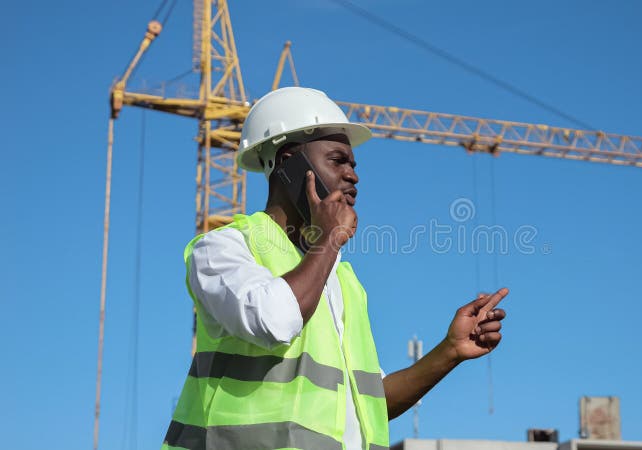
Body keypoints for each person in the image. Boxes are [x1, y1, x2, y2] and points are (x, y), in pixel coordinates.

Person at [162, 87, 509, 450]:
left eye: (354, 165)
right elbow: (273, 319)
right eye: (337, 160)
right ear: (289, 163)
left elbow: (369, 403)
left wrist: (449, 350)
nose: (353, 176)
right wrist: (327, 241)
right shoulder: (223, 249)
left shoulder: (341, 279)